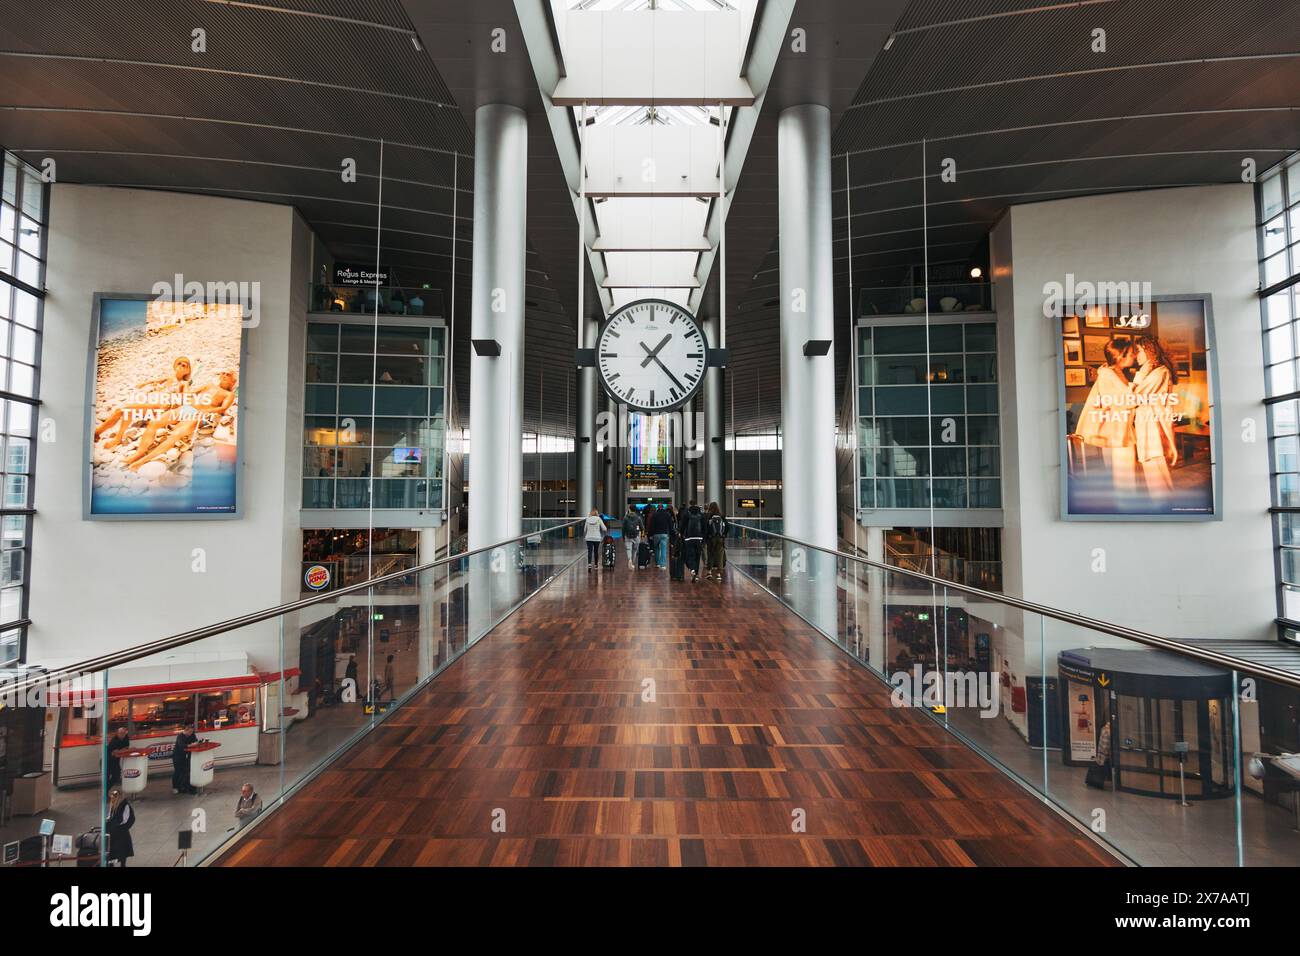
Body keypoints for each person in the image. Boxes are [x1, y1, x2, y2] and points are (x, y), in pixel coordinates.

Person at [1073, 339, 1137, 496]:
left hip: (1118, 430)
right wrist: (1136, 389)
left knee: (1124, 472)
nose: (1134, 356)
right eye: (1130, 353)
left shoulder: (1115, 373)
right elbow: (1121, 401)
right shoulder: (1108, 375)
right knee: (1123, 472)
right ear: (1119, 356)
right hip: (1115, 432)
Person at [1131, 334, 1179, 497]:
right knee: (1151, 471)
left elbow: (1132, 397)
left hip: (1153, 428)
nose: (1134, 355)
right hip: (1147, 425)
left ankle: (1164, 506)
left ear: (1148, 351)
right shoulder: (1152, 372)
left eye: (1137, 351)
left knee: (1157, 472)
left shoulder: (1160, 372)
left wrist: (1138, 377)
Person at [106, 789, 135, 867]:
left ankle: (123, 864)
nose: (113, 798)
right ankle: (111, 863)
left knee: (122, 850)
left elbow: (124, 819)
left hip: (121, 831)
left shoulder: (125, 805)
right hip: (113, 831)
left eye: (115, 796)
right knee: (111, 849)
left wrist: (114, 823)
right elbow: (109, 816)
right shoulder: (113, 805)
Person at [679, 500, 706, 582]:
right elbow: (704, 527)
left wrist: (681, 533)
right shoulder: (701, 514)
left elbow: (682, 525)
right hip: (699, 538)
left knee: (690, 555)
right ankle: (696, 574)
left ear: (690, 504)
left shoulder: (687, 513)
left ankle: (692, 569)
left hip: (689, 538)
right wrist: (703, 538)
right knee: (698, 556)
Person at [704, 502, 727, 582]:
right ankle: (718, 574)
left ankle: (709, 572)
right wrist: (724, 535)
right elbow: (727, 527)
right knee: (720, 556)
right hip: (720, 539)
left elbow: (706, 528)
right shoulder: (722, 516)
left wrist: (706, 538)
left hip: (711, 539)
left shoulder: (708, 516)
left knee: (710, 554)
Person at [171, 724, 198, 795]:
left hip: (187, 755)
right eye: (189, 732)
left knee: (186, 771)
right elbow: (182, 746)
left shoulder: (192, 735)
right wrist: (191, 745)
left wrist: (195, 743)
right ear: (185, 731)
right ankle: (175, 787)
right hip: (178, 756)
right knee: (178, 771)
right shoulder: (180, 736)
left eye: (192, 732)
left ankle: (184, 786)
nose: (191, 733)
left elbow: (196, 741)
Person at [1087, 720, 1113, 790]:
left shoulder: (1104, 728)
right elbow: (1105, 745)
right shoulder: (1109, 731)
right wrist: (1107, 753)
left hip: (1101, 753)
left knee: (1101, 767)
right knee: (1101, 768)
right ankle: (1098, 781)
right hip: (1104, 754)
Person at [649, 502, 674, 569]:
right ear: (663, 507)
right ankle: (663, 565)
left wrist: (650, 534)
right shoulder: (667, 514)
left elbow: (652, 526)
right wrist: (672, 533)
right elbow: (670, 525)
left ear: (658, 508)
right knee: (663, 549)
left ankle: (657, 564)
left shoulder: (655, 515)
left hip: (656, 534)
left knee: (656, 548)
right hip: (664, 534)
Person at [621, 505, 644, 570]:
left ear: (629, 509)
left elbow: (623, 528)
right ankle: (632, 564)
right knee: (635, 550)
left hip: (627, 536)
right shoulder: (638, 517)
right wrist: (642, 535)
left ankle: (629, 560)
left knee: (628, 549)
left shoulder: (626, 517)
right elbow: (642, 527)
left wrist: (623, 536)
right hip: (636, 536)